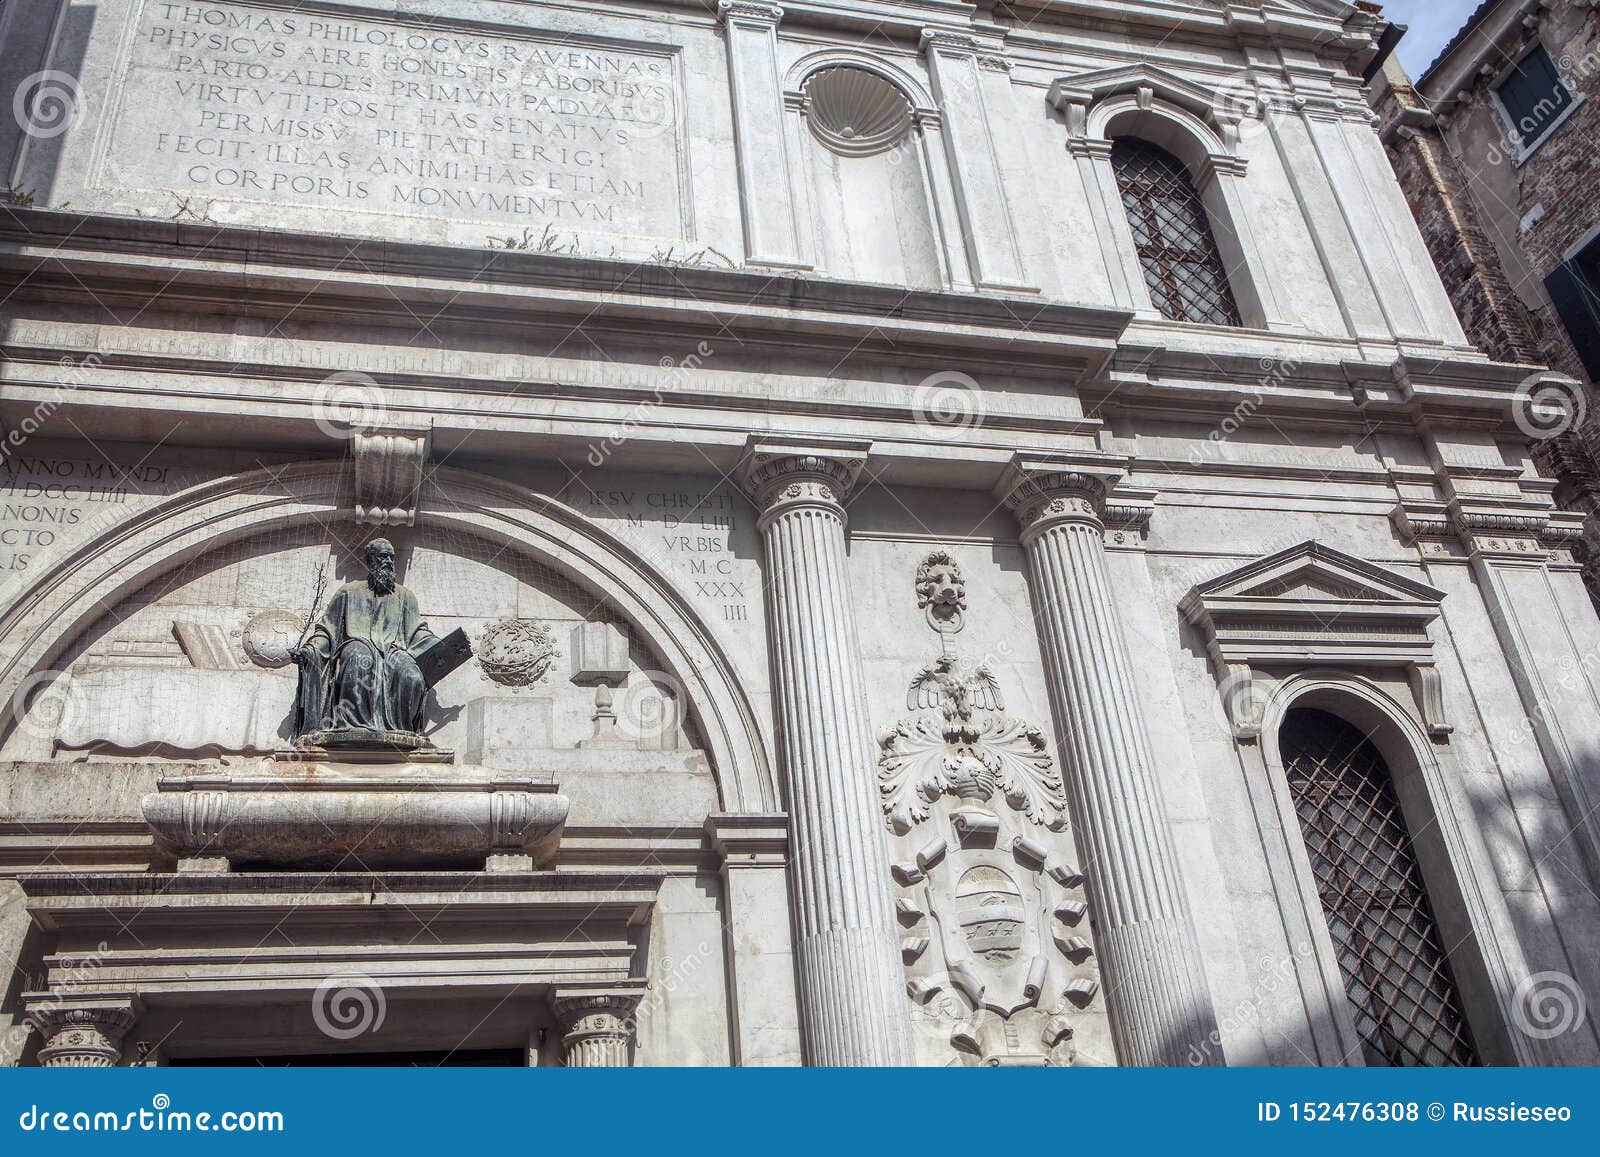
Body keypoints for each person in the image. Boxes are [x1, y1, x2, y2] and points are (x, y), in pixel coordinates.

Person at [290, 538, 438, 745]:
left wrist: (441, 648)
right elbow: (327, 630)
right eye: (382, 556)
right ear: (369, 561)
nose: (388, 562)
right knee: (358, 657)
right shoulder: (348, 592)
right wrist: (309, 651)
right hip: (357, 646)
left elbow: (418, 633)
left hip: (393, 652)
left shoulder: (405, 596)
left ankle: (401, 728)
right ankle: (352, 726)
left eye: (391, 558)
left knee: (412, 675)